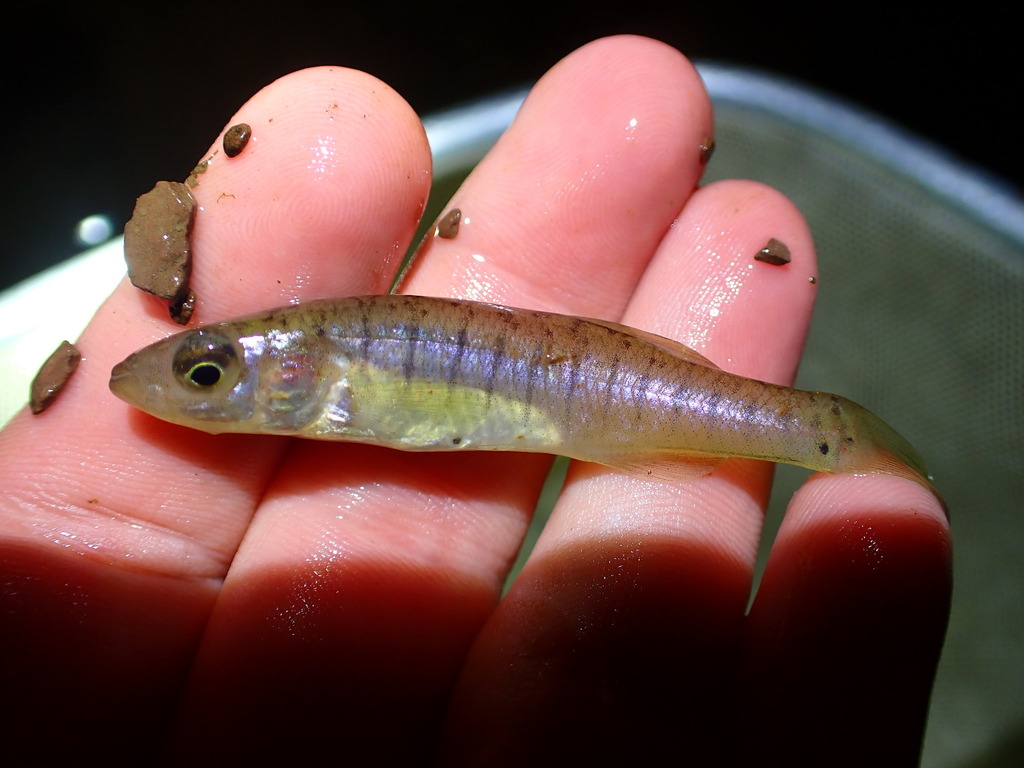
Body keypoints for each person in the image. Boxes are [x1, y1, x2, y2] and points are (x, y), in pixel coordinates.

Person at [0, 35, 950, 765]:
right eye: (207, 372)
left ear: (300, 374)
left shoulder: (323, 366)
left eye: (208, 373)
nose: (186, 388)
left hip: (598, 392)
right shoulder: (309, 368)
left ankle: (834, 444)